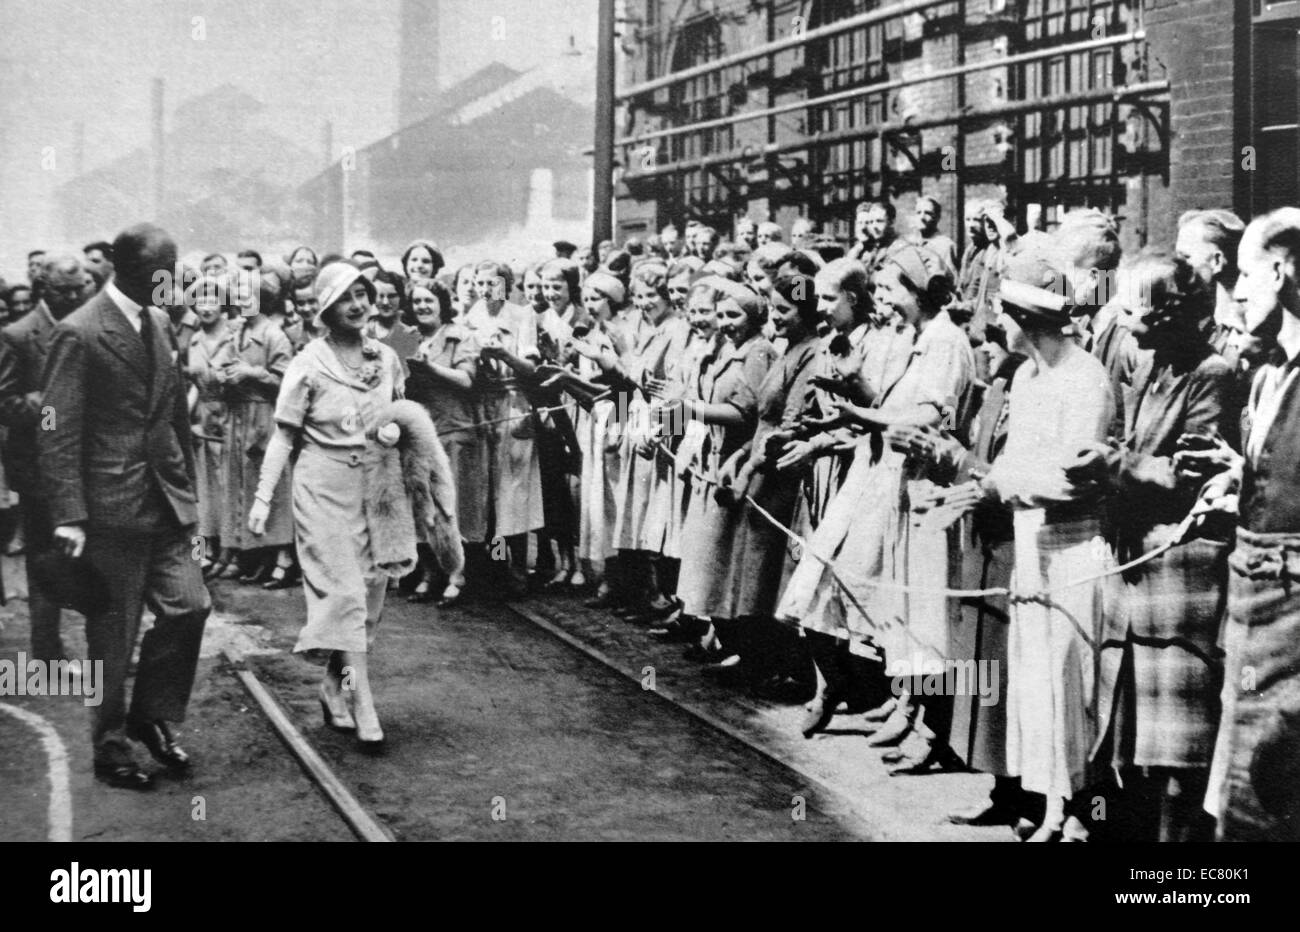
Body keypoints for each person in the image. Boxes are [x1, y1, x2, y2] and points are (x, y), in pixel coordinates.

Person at [39, 223, 212, 790]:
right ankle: (109, 748)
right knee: (111, 637)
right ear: (122, 267)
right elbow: (57, 429)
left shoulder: (160, 323)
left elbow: (175, 420)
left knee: (189, 605)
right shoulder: (79, 332)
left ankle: (150, 714)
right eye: (156, 273)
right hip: (110, 510)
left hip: (164, 503)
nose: (168, 282)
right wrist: (68, 513)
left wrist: (188, 493)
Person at [1091, 252, 1237, 842]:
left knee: (1179, 743)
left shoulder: (1212, 373)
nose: (1122, 319)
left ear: (1170, 310)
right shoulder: (1153, 363)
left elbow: (1187, 476)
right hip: (1144, 563)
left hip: (1183, 569)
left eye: (1133, 307)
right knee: (1141, 739)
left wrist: (1115, 462)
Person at [978, 250, 1116, 841]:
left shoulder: (1086, 377)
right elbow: (1014, 462)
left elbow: (1070, 481)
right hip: (1030, 546)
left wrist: (998, 482)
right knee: (1035, 680)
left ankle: (1082, 814)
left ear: (1024, 317)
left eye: (1003, 314)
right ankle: (1051, 808)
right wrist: (999, 480)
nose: (996, 326)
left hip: (1077, 550)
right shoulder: (1028, 377)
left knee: (1071, 680)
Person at [249, 261, 414, 750]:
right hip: (321, 487)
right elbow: (284, 437)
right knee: (345, 595)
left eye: (363, 294)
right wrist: (262, 498)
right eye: (346, 297)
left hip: (376, 485)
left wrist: (394, 431)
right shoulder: (307, 363)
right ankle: (363, 702)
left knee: (371, 595)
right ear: (325, 308)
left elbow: (401, 414)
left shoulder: (386, 358)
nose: (359, 305)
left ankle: (333, 685)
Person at [1199, 207, 1300, 841]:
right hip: (1254, 616)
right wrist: (1240, 480)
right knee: (1242, 805)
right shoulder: (1270, 375)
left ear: (1283, 270)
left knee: (1272, 793)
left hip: (1291, 623)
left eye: (1245, 274)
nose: (1234, 292)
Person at [0, 255, 88, 664]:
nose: (73, 297)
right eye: (63, 291)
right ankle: (47, 655)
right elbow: (6, 403)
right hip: (37, 469)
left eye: (78, 289)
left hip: (85, 464)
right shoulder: (18, 335)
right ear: (43, 290)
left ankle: (105, 649)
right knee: (44, 560)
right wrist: (47, 406)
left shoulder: (88, 326)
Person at [212, 272, 296, 588]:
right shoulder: (237, 333)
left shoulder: (274, 335)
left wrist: (252, 373)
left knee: (273, 489)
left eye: (248, 295)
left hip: (265, 416)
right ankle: (259, 554)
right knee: (244, 488)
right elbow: (221, 365)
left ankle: (284, 558)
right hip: (238, 416)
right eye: (238, 296)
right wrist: (224, 376)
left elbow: (287, 383)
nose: (242, 301)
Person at [464, 260, 544, 593]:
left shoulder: (523, 315)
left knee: (515, 492)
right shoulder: (470, 318)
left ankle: (519, 569)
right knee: (491, 493)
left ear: (507, 284)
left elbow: (531, 368)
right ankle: (496, 564)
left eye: (493, 283)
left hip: (514, 403)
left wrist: (505, 356)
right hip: (484, 404)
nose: (486, 290)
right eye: (480, 283)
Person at [405, 279, 482, 605]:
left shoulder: (460, 335)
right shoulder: (407, 338)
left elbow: (467, 379)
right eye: (418, 301)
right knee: (422, 506)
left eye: (429, 300)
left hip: (453, 429)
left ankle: (457, 575)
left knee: (453, 508)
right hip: (420, 432)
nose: (423, 306)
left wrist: (430, 367)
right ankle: (430, 572)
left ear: (442, 303)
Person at [184, 275, 233, 576]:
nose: (206, 307)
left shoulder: (234, 336)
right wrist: (185, 417)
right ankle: (201, 555)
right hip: (203, 418)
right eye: (200, 301)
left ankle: (230, 556)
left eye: (212, 299)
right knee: (203, 493)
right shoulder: (193, 340)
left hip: (230, 416)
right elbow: (195, 384)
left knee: (228, 490)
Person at [908, 195, 959, 275]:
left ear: (937, 217)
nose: (922, 217)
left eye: (928, 213)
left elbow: (952, 280)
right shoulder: (909, 244)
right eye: (918, 213)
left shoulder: (945, 245)